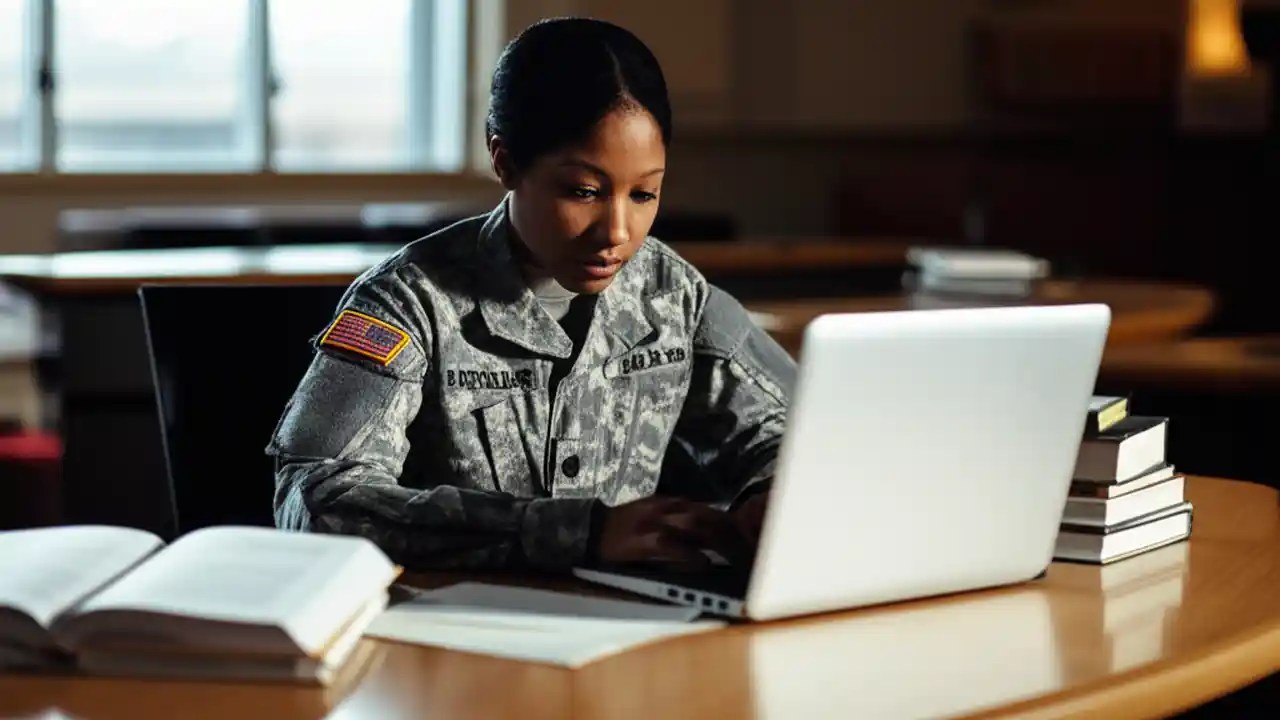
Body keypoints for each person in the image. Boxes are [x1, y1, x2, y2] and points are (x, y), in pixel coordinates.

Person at [267, 17, 795, 573]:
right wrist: (575, 533)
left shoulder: (673, 296)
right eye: (584, 191)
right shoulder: (409, 303)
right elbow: (315, 499)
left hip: (630, 628)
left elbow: (797, 436)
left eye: (644, 193)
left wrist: (772, 496)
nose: (617, 231)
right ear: (505, 159)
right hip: (445, 634)